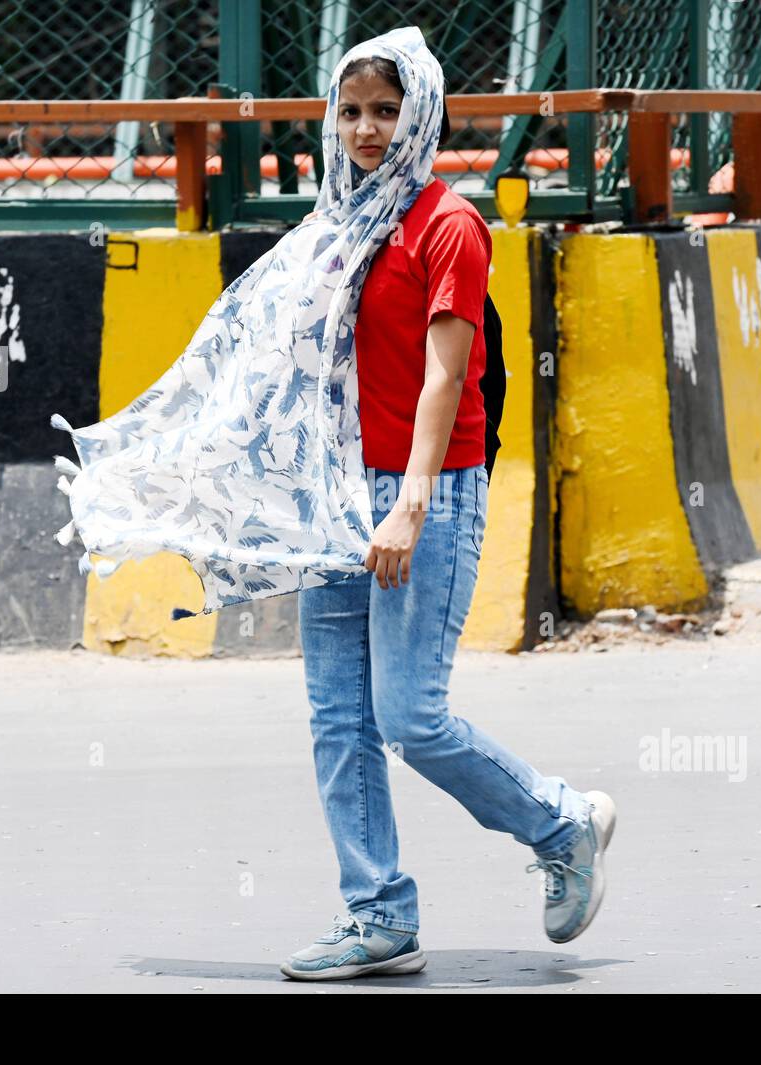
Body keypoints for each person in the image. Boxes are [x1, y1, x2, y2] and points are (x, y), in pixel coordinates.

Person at [282, 36, 617, 983]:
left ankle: (562, 825)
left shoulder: (448, 226)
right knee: (335, 720)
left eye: (385, 111)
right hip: (342, 495)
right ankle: (377, 913)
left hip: (423, 492)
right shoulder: (337, 223)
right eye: (349, 111)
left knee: (410, 716)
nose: (364, 130)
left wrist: (411, 506)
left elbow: (445, 377)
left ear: (420, 114)